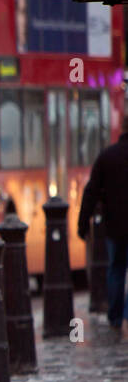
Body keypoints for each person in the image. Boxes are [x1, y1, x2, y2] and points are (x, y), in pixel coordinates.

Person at [77, 119, 128, 337]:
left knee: (116, 270)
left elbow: (91, 192)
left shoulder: (108, 156)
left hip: (115, 227)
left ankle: (115, 317)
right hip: (116, 226)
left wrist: (83, 224)